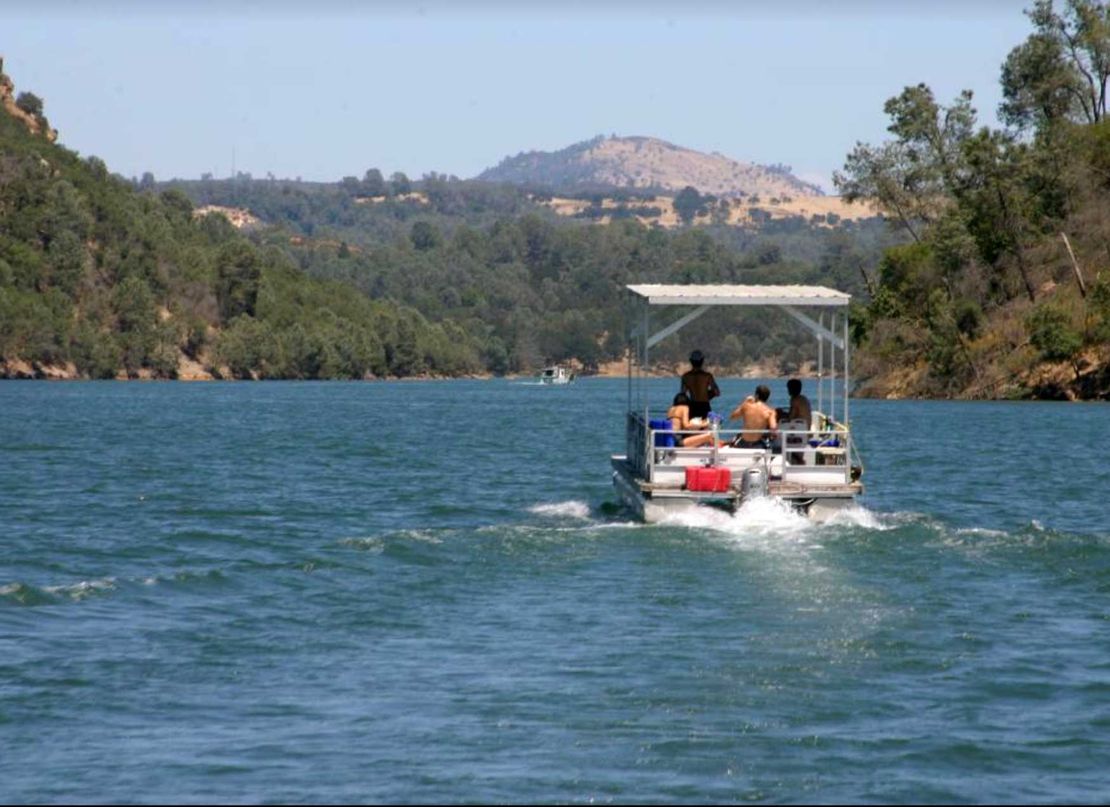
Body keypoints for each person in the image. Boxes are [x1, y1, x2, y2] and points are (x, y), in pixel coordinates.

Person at [680, 350, 720, 420]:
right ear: (702, 361)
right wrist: (709, 395)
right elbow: (717, 392)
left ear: (691, 361)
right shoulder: (707, 376)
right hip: (704, 406)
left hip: (693, 406)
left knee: (693, 428)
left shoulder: (686, 377)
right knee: (705, 428)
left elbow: (683, 394)